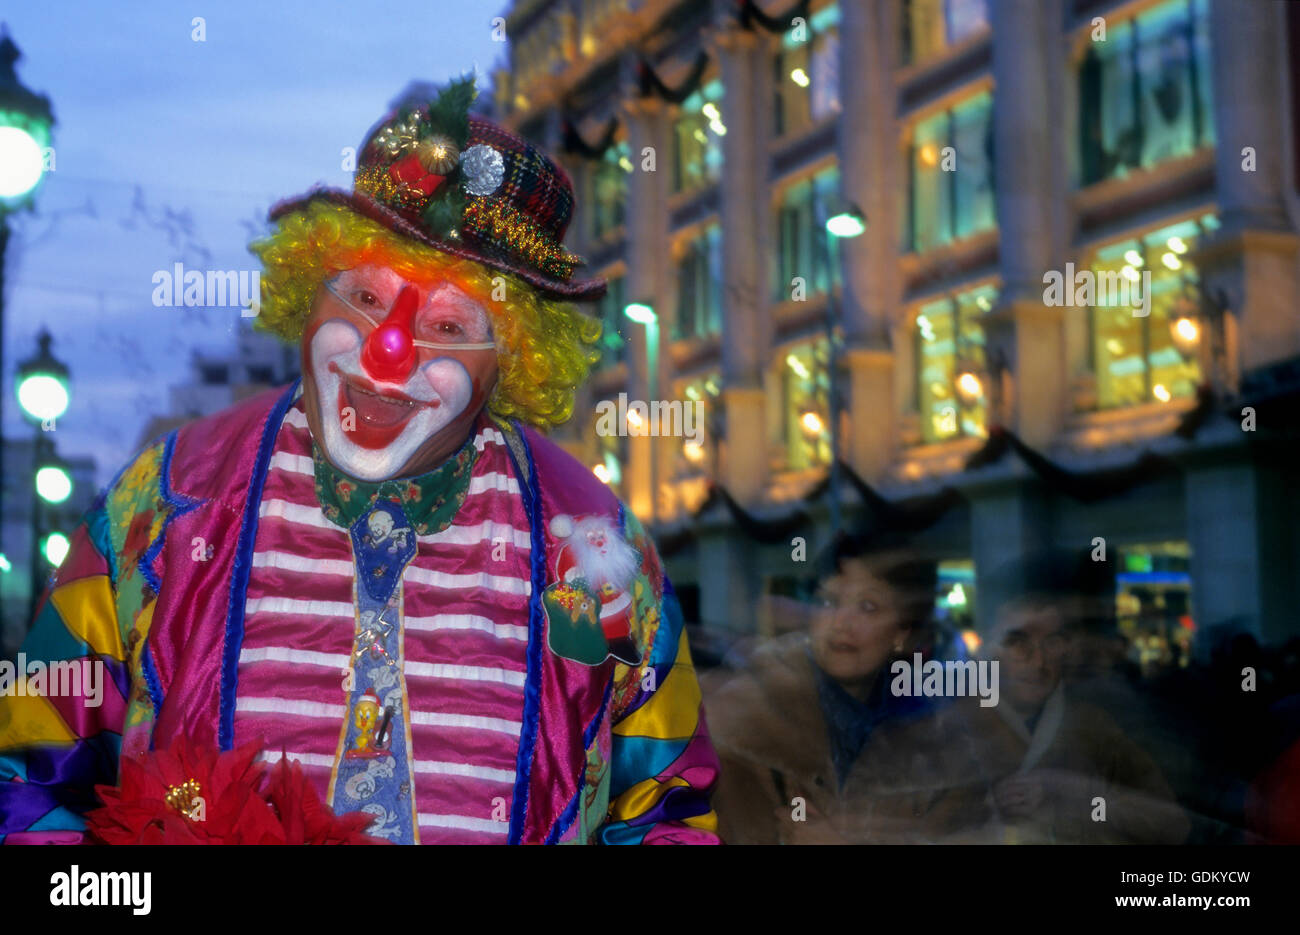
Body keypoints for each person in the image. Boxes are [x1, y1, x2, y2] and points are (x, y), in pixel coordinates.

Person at [0, 77, 718, 845]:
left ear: (511, 356)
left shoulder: (593, 550)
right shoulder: (168, 502)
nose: (388, 351)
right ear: (310, 291)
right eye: (367, 299)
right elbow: (30, 773)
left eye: (447, 321)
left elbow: (670, 805)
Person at [706, 532, 971, 844]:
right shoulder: (739, 719)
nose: (841, 622)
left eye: (868, 607)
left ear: (903, 632)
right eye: (829, 601)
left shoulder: (935, 742)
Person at [951, 551, 1189, 844]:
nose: (1038, 661)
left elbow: (1172, 824)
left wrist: (1077, 794)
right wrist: (983, 812)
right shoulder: (950, 727)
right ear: (986, 645)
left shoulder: (1097, 726)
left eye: (1053, 642)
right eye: (1017, 642)